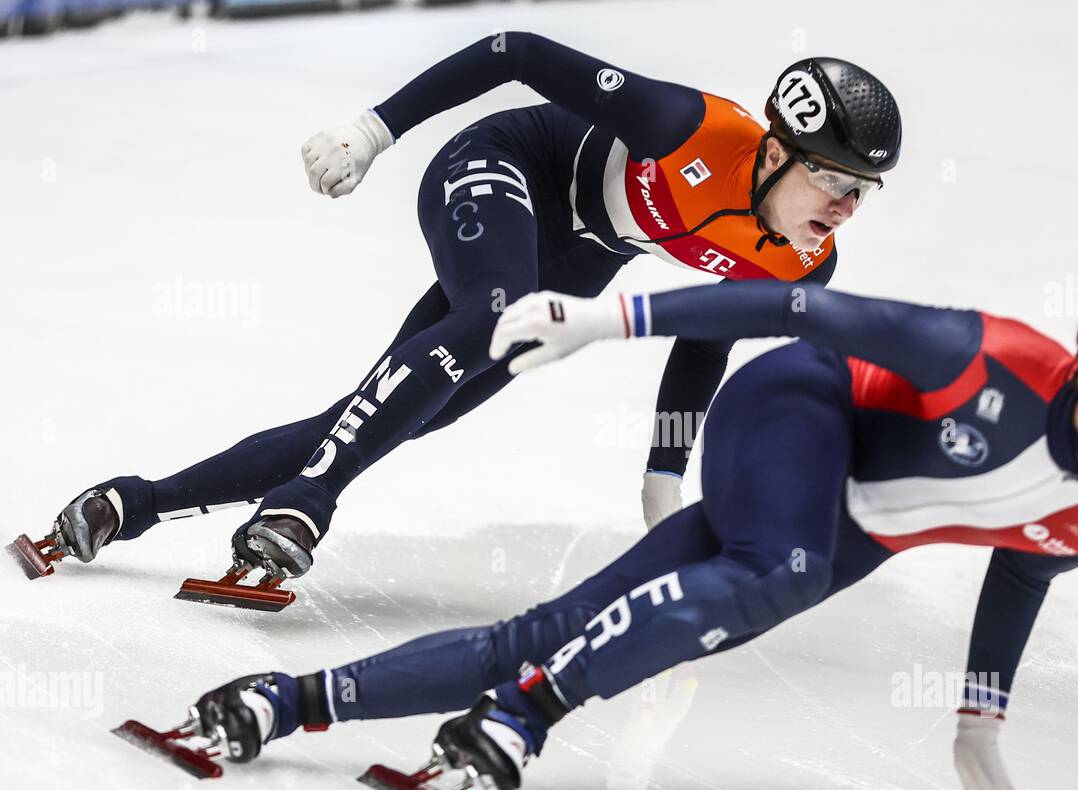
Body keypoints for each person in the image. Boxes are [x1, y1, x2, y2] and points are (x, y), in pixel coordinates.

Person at [163, 275, 1078, 790]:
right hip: (798, 402)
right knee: (780, 571)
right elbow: (797, 303)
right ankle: (524, 714)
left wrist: (978, 722)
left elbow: (1023, 559)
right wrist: (603, 317)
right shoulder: (984, 359)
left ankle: (282, 699)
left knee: (549, 630)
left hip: (846, 522)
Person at [16, 35, 902, 602]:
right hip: (504, 164)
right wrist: (373, 129)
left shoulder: (802, 259)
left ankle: (131, 503)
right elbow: (512, 49)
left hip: (579, 252)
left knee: (387, 414)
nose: (846, 206)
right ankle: (307, 505)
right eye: (834, 179)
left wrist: (663, 474)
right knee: (494, 315)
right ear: (777, 150)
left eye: (865, 191)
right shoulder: (685, 125)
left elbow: (705, 338)